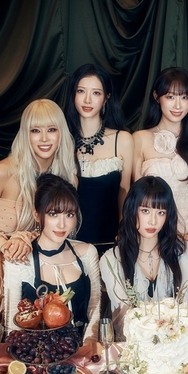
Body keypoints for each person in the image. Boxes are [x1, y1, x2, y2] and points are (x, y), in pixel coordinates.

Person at [0, 99, 78, 324]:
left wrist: (24, 238)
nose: (44, 138)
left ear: (61, 133)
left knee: (29, 325)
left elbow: (58, 228)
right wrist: (6, 245)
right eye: (35, 130)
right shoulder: (3, 172)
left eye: (51, 130)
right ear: (25, 134)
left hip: (26, 260)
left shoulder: (68, 178)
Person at [3, 174, 101, 341]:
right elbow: (12, 326)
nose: (62, 225)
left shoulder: (87, 253)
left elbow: (94, 309)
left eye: (69, 214)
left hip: (80, 348)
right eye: (53, 214)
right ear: (36, 214)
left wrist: (88, 347)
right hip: (36, 350)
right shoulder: (19, 259)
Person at [99, 176, 188, 339]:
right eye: (145, 211)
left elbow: (187, 311)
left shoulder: (184, 253)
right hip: (131, 346)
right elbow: (122, 321)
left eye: (161, 212)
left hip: (176, 344)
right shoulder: (112, 260)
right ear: (132, 209)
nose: (153, 221)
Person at [133, 67, 188, 248]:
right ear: (157, 97)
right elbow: (137, 197)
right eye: (170, 97)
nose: (178, 106)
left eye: (184, 97)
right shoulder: (139, 139)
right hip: (152, 236)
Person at [65, 64, 133, 256]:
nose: (87, 99)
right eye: (81, 91)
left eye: (96, 93)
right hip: (67, 243)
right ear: (73, 94)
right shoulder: (60, 140)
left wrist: (123, 232)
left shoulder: (123, 140)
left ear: (106, 98)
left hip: (109, 241)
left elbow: (125, 192)